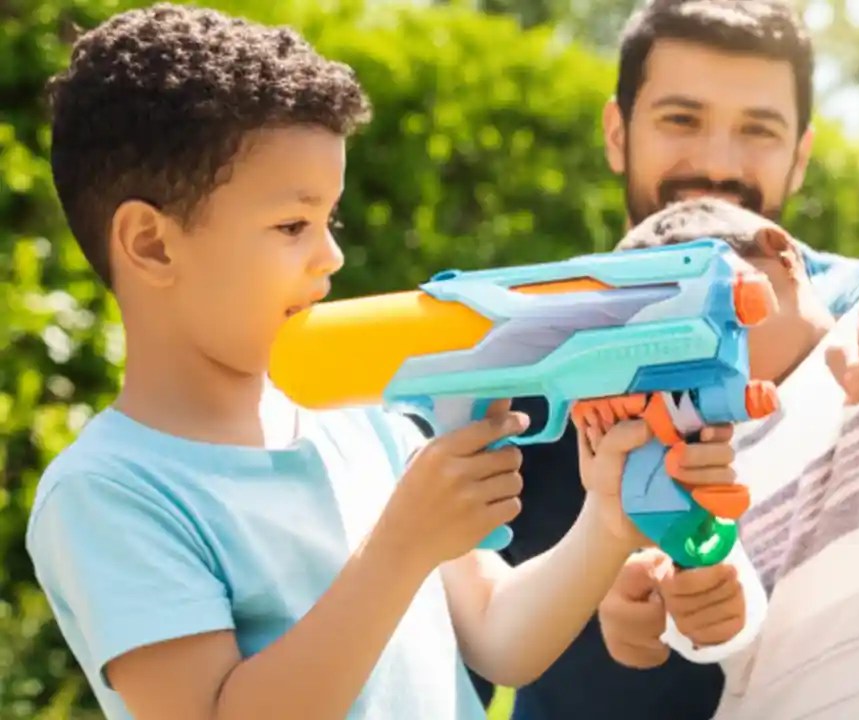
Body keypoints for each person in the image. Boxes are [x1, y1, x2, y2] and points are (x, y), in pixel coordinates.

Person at [22, 6, 741, 720]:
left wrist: (607, 519)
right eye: (292, 225)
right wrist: (401, 547)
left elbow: (497, 635)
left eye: (328, 220)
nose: (331, 256)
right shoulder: (109, 490)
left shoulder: (365, 423)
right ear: (151, 244)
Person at [493, 1, 859, 718]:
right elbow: (455, 639)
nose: (719, 166)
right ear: (617, 132)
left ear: (801, 155)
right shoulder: (520, 352)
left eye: (759, 130)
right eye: (681, 119)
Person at [601, 197, 859, 719]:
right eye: (660, 342)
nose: (697, 348)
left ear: (782, 254)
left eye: (706, 302)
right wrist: (691, 599)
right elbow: (736, 633)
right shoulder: (694, 452)